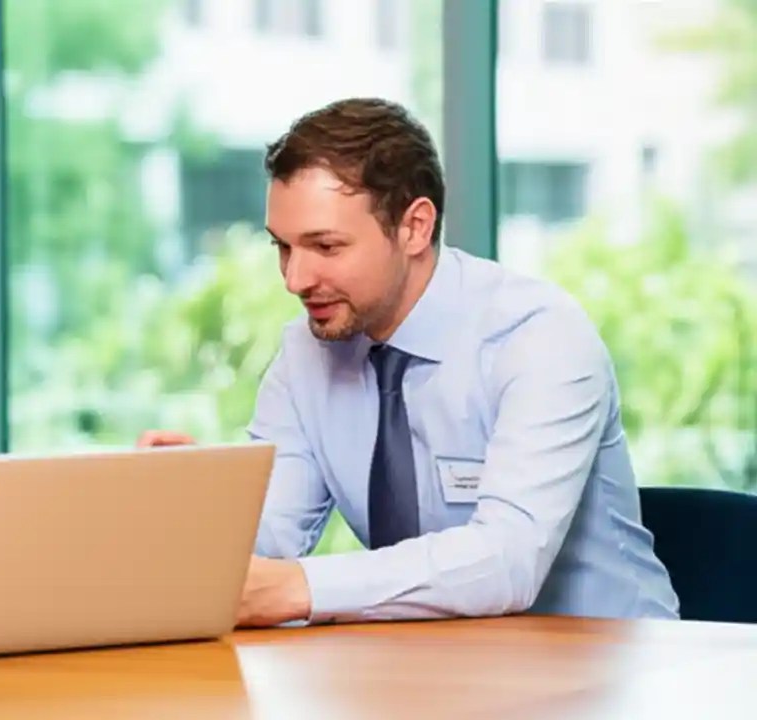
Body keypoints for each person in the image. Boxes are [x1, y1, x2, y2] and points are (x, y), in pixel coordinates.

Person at [140, 98, 679, 626]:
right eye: (283, 247)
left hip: (610, 665)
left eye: (325, 247)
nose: (295, 279)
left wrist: (297, 588)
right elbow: (271, 542)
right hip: (433, 665)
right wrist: (205, 510)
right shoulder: (306, 353)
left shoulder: (538, 338)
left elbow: (507, 561)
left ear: (415, 227)